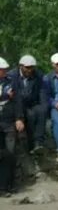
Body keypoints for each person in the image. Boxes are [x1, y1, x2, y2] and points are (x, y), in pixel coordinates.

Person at [8, 55, 48, 154]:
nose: (30, 70)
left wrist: (44, 107)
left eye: (32, 67)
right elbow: (15, 97)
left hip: (33, 103)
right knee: (30, 115)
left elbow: (42, 93)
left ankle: (39, 143)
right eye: (27, 67)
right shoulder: (12, 76)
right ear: (21, 66)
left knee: (41, 111)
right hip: (18, 106)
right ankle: (31, 145)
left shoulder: (38, 76)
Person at [0, 57, 25, 197]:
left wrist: (19, 118)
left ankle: (9, 185)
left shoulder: (11, 81)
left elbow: (17, 100)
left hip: (9, 122)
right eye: (1, 70)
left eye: (4, 69)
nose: (4, 71)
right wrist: (4, 95)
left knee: (10, 154)